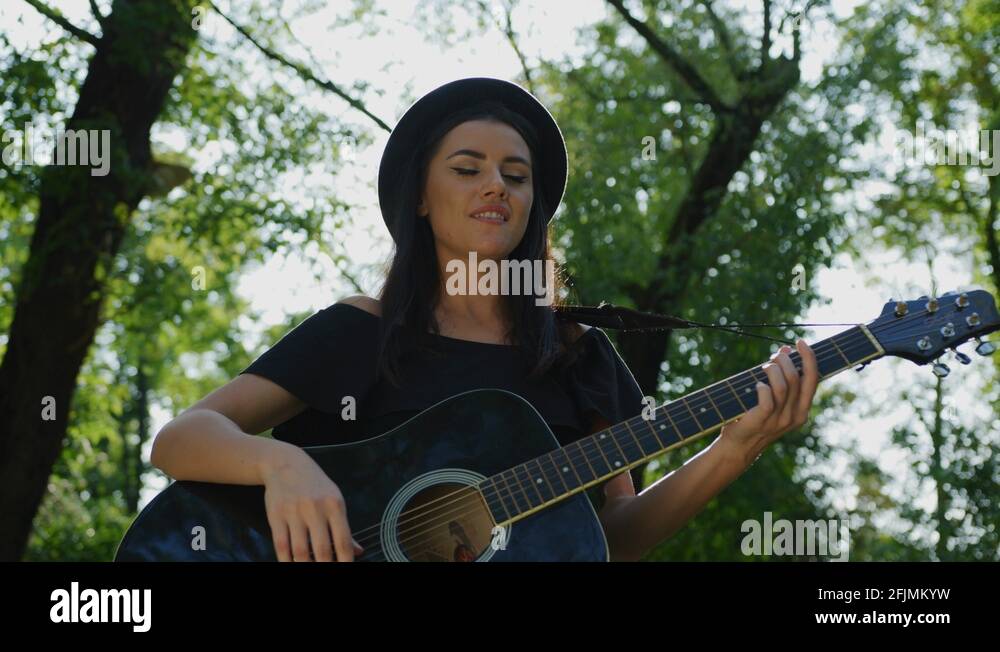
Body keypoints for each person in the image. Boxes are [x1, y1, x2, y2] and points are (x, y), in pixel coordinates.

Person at [150, 77, 818, 562]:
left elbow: (612, 538)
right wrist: (279, 466)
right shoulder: (359, 331)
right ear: (420, 198)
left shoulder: (580, 352)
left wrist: (734, 448)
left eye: (516, 176)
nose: (496, 185)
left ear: (531, 206)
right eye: (467, 169)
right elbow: (180, 440)